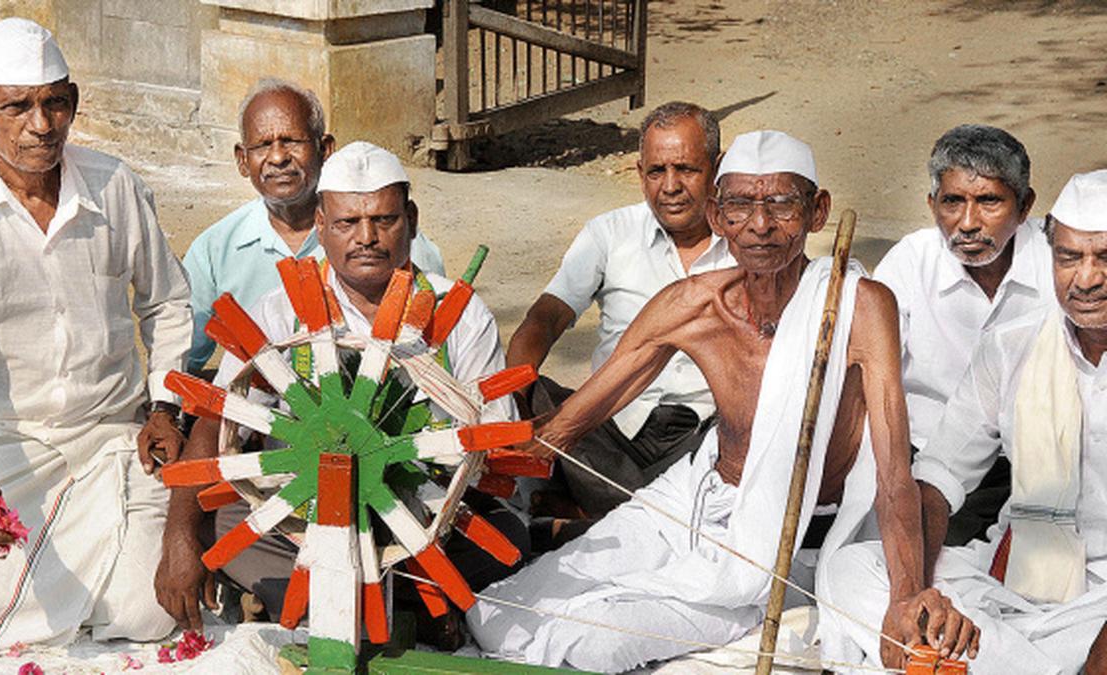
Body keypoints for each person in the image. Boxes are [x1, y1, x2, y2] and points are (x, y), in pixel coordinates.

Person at [468, 130, 976, 673]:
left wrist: (904, 596)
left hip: (789, 535)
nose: (760, 226)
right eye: (740, 205)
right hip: (696, 497)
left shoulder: (858, 306)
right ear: (716, 214)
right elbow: (571, 424)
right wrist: (480, 462)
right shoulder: (692, 305)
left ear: (817, 211)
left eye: (781, 204)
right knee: (502, 610)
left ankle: (770, 602)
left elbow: (894, 472)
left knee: (602, 643)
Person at [155, 141, 525, 634]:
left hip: (425, 524)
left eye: (384, 220)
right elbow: (220, 419)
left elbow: (496, 439)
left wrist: (418, 525)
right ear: (322, 228)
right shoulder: (279, 310)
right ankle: (403, 613)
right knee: (225, 524)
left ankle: (359, 606)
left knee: (506, 536)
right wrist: (180, 537)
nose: (366, 237)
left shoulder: (458, 314)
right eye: (348, 223)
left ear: (411, 220)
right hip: (303, 523)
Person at [0, 18, 192, 657]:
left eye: (55, 102)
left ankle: (32, 595)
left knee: (148, 611)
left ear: (73, 103)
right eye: (18, 106)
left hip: (112, 440)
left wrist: (164, 408)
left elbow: (168, 305)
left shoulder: (116, 185)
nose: (42, 124)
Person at [821, 170, 1107, 674]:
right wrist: (918, 598)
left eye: (1104, 257)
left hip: (1097, 610)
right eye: (1069, 257)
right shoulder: (1011, 347)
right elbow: (937, 479)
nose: (1086, 279)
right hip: (1007, 580)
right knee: (850, 567)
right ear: (1050, 256)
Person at [508, 101, 734, 533]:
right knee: (532, 393)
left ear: (717, 168)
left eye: (686, 169)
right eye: (656, 172)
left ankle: (594, 517)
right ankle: (628, 517)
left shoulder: (746, 247)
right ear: (639, 172)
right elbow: (546, 318)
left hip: (702, 439)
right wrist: (513, 396)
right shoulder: (608, 234)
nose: (670, 186)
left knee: (747, 443)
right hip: (604, 431)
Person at [183, 79, 445, 374]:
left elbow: (437, 344)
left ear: (325, 149)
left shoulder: (396, 246)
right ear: (242, 160)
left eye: (291, 141)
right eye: (263, 145)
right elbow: (184, 356)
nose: (278, 157)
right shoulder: (214, 250)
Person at [873, 125, 1052, 545]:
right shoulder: (910, 263)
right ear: (932, 203)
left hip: (1041, 463)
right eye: (953, 202)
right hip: (930, 462)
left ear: (1024, 205)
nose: (968, 223)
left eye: (989, 201)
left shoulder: (1059, 258)